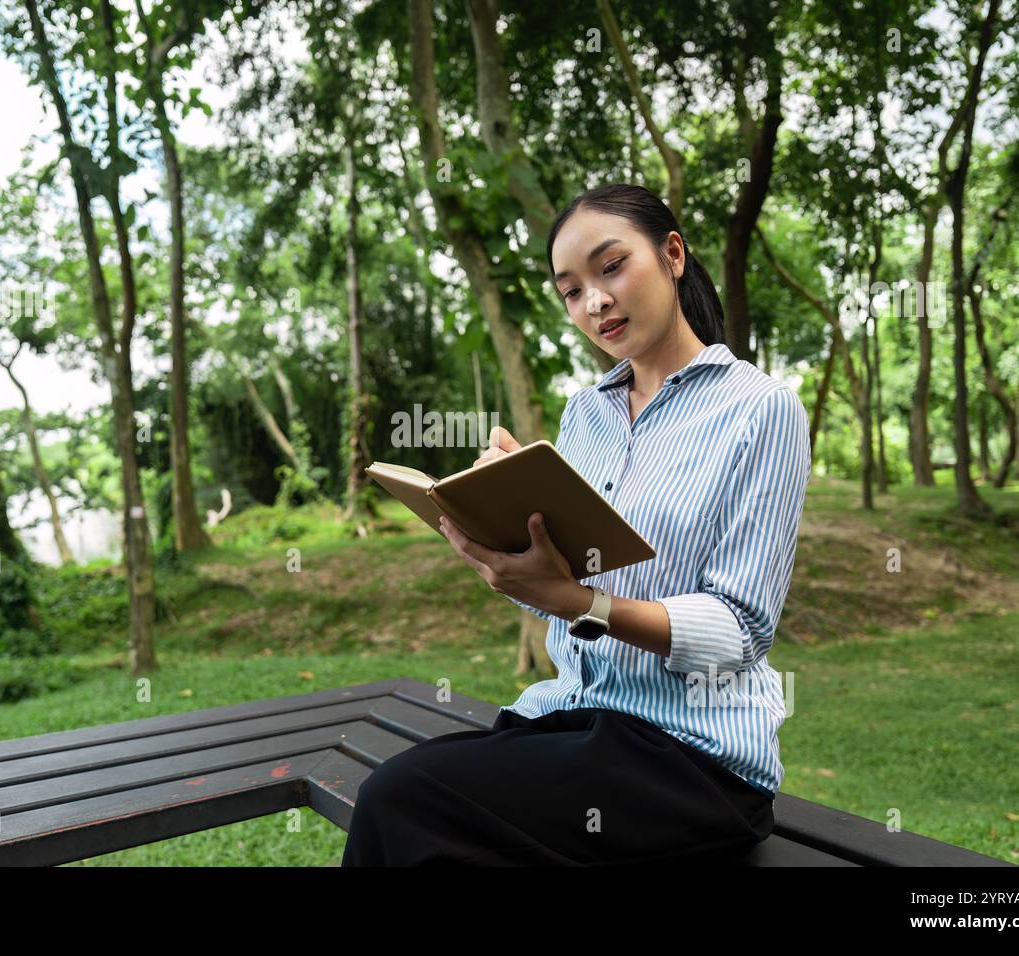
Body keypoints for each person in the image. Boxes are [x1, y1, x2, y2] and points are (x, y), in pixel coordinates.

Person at [341, 183, 811, 867]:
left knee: (400, 798)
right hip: (571, 721)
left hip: (691, 759)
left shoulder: (760, 410)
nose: (594, 300)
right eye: (571, 289)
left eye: (611, 266)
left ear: (673, 254)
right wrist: (503, 509)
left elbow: (737, 632)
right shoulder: (583, 415)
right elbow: (576, 565)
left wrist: (577, 601)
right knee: (412, 803)